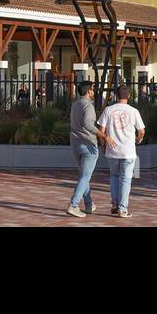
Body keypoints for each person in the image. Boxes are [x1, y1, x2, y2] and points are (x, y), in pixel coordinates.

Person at [96, 85, 145, 218]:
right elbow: (141, 131)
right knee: (125, 179)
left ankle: (115, 204)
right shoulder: (133, 111)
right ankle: (122, 209)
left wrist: (103, 145)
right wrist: (138, 140)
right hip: (128, 150)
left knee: (114, 176)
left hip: (112, 150)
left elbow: (101, 130)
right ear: (128, 96)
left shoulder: (108, 110)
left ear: (115, 96)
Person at [66, 79, 110, 217]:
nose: (94, 91)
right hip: (88, 146)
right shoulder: (88, 106)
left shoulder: (75, 104)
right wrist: (103, 136)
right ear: (88, 91)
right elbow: (87, 124)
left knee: (83, 176)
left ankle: (89, 204)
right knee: (85, 176)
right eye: (92, 88)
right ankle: (73, 205)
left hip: (75, 144)